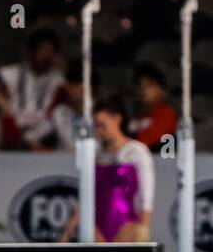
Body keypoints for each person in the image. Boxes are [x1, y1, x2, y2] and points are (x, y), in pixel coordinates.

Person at [63, 94, 155, 242]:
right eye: (96, 126)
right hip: (96, 229)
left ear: (117, 118)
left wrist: (143, 228)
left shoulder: (136, 151)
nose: (99, 131)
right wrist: (67, 232)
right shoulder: (94, 156)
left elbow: (146, 197)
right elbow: (86, 196)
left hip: (126, 227)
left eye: (102, 125)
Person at [0, 27, 65, 150]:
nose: (46, 56)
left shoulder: (59, 81)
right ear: (30, 52)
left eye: (50, 52)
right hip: (12, 135)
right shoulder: (7, 74)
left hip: (44, 138)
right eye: (42, 50)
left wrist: (63, 70)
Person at [129, 63, 178, 152]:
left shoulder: (166, 113)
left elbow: (147, 140)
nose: (143, 89)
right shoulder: (134, 115)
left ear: (161, 90)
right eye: (139, 85)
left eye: (149, 85)